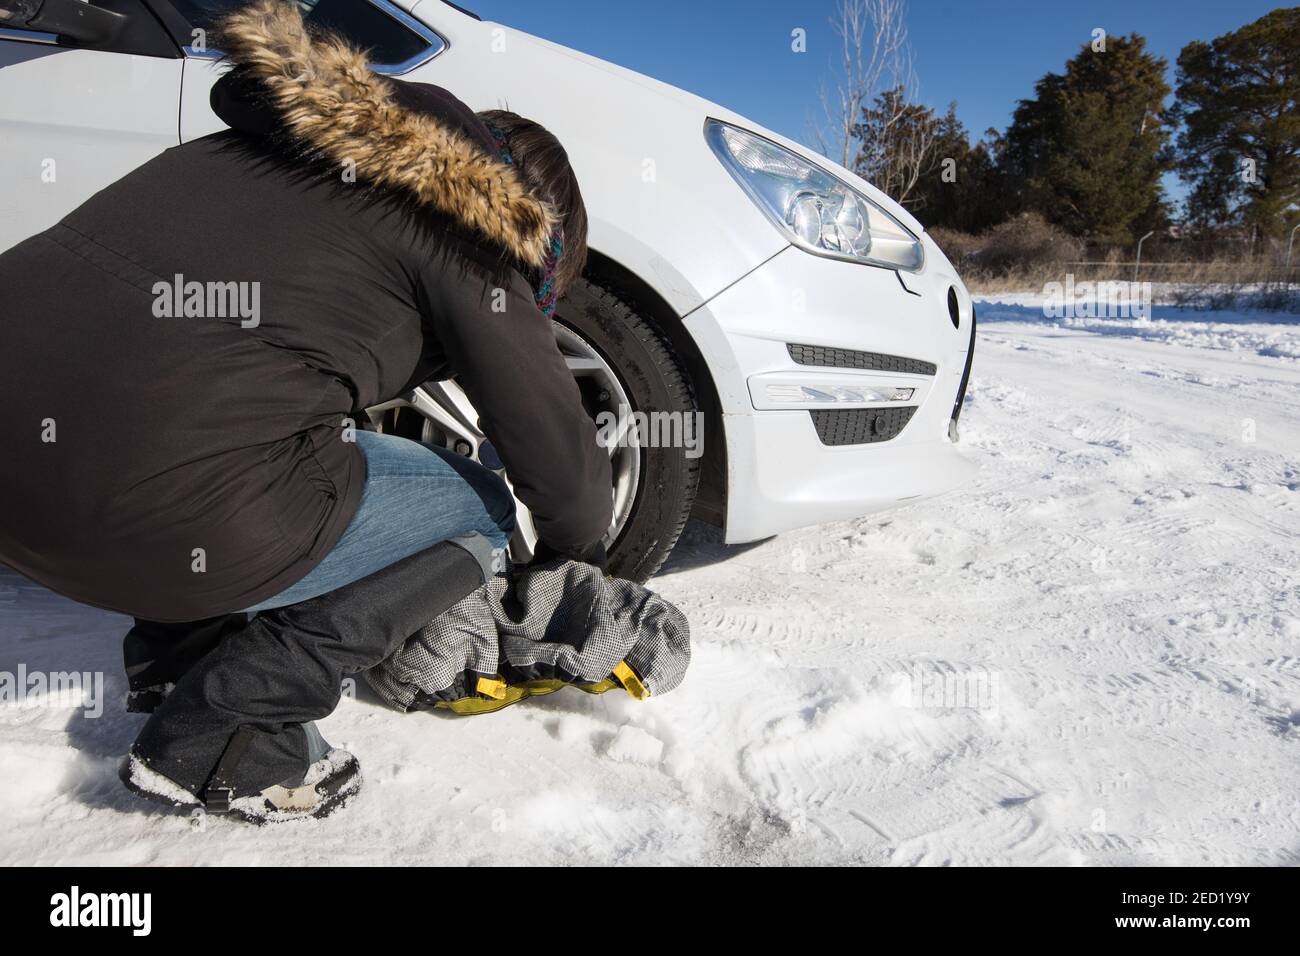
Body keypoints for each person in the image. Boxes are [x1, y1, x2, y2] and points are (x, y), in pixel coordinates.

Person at [0, 0, 611, 823]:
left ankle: (174, 661)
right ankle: (240, 727)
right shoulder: (465, 224)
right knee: (480, 505)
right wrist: (574, 558)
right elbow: (554, 450)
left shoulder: (253, 152)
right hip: (135, 518)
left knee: (237, 423)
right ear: (527, 223)